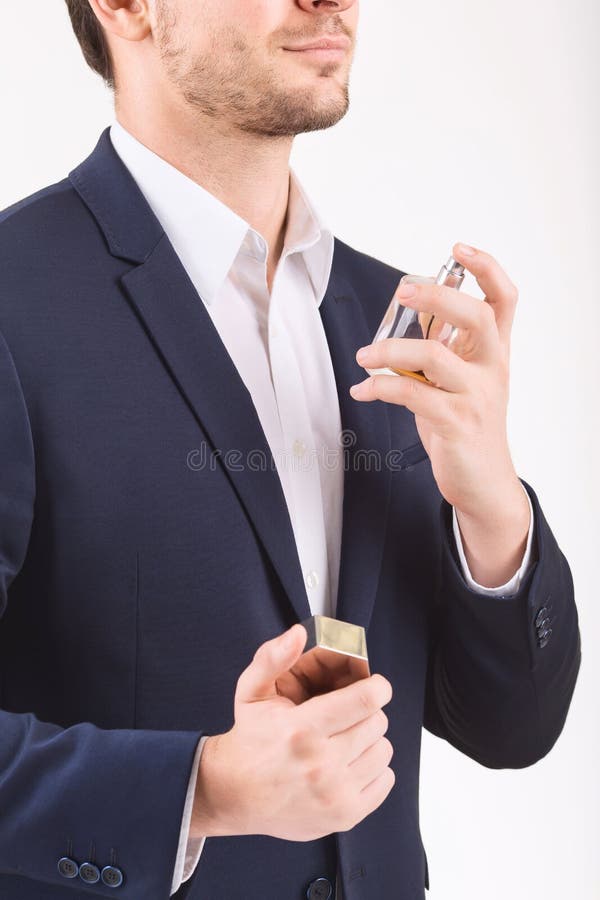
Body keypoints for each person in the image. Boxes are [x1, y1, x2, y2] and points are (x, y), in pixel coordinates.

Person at [0, 1, 581, 898]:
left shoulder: (393, 317)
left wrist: (492, 506)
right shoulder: (13, 303)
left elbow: (514, 729)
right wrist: (202, 791)